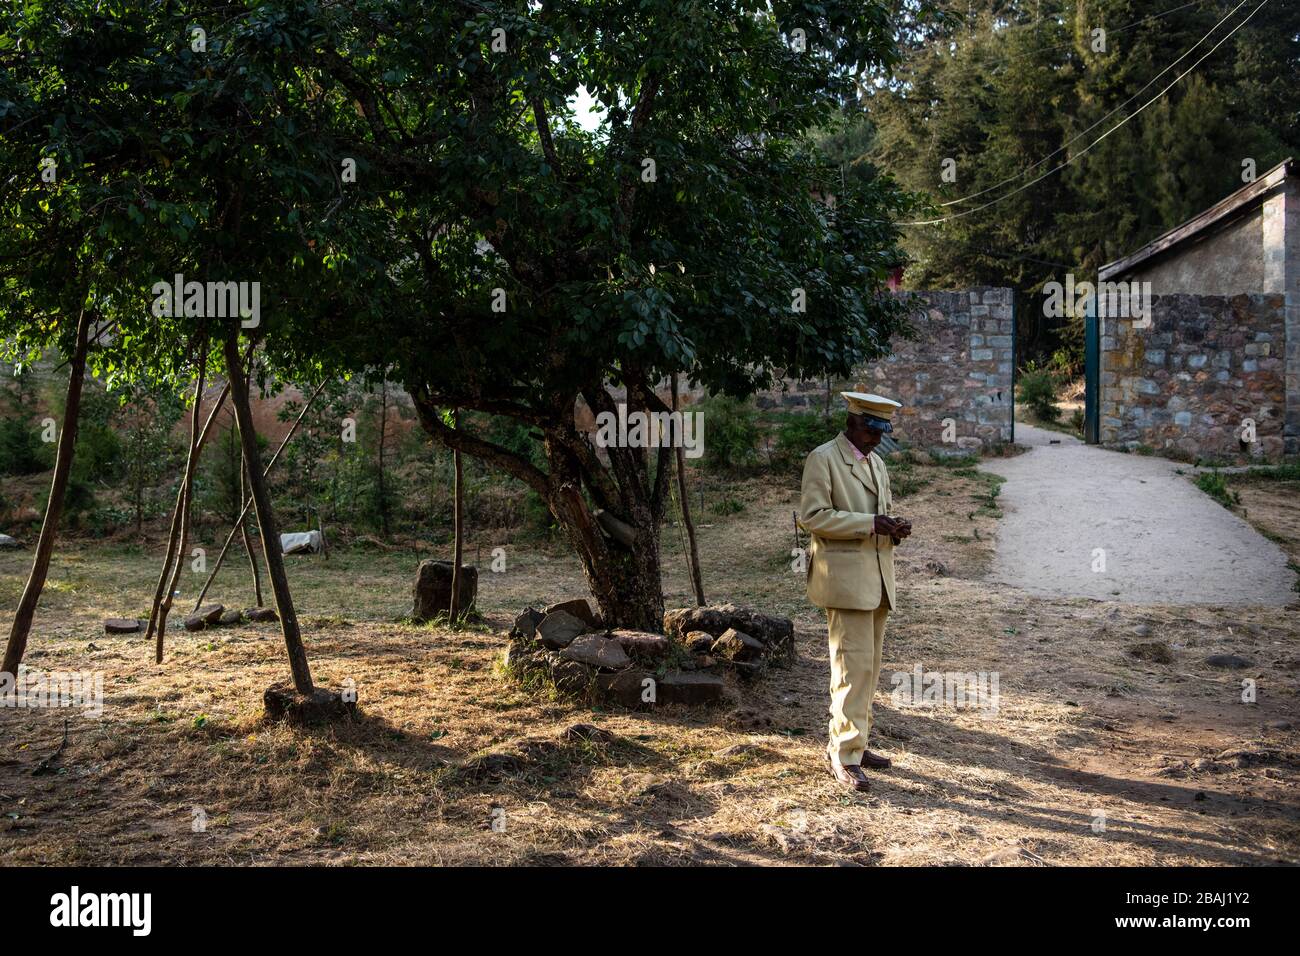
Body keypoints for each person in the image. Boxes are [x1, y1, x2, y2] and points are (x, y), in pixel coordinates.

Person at [798, 392, 912, 792]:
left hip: (876, 579)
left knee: (869, 668)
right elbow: (813, 517)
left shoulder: (876, 463)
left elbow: (877, 515)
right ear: (852, 422)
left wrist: (892, 529)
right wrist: (870, 523)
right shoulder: (824, 458)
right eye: (870, 429)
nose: (877, 438)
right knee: (851, 668)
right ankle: (843, 756)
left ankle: (857, 745)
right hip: (845, 582)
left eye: (883, 431)